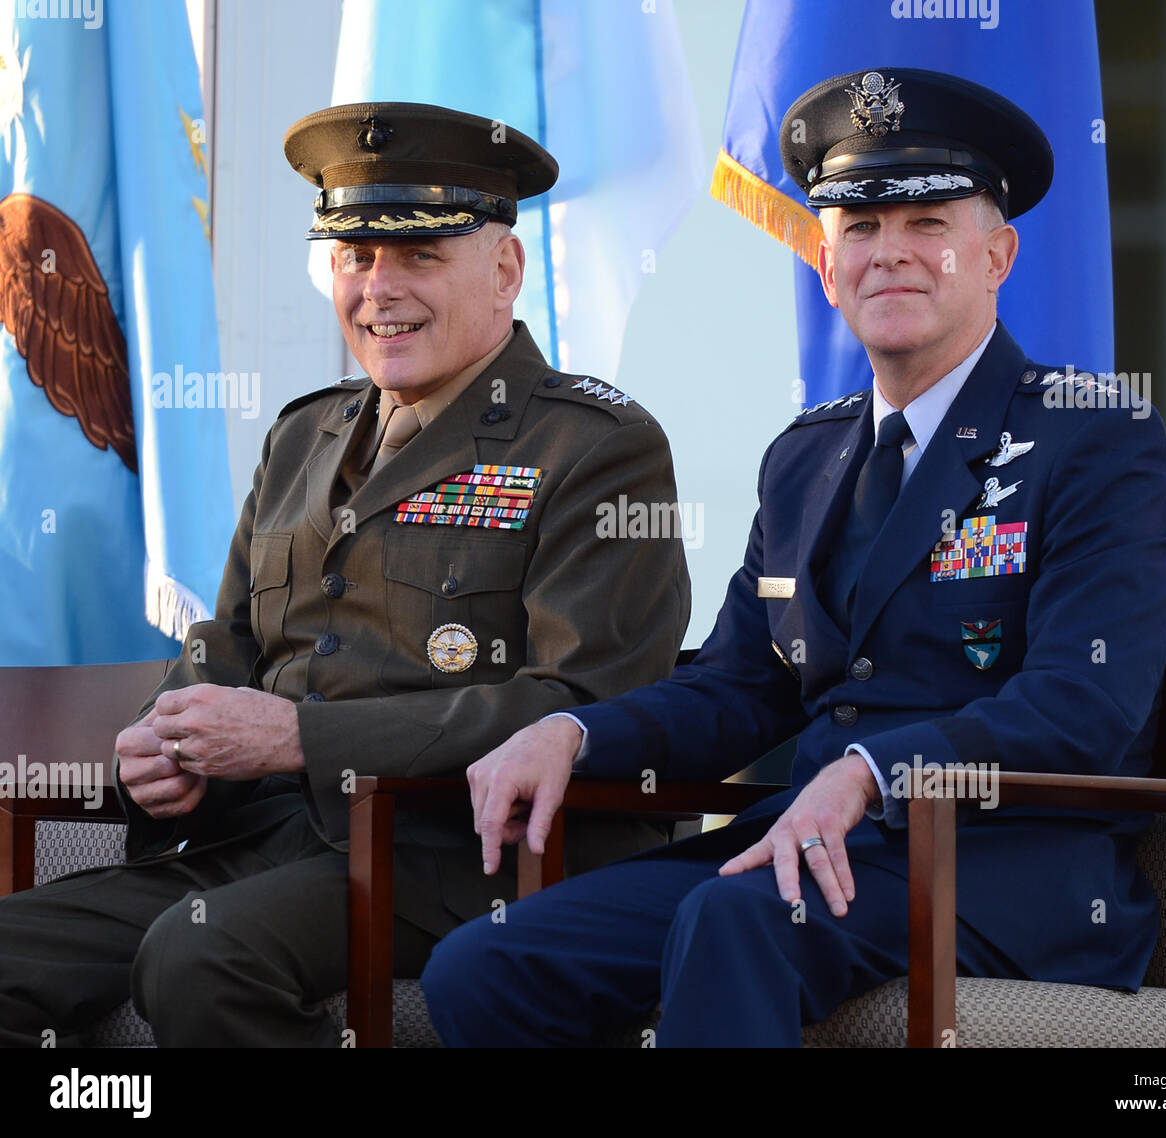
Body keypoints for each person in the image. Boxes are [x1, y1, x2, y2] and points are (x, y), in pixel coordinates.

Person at [420, 68, 1166, 1047]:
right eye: (859, 230)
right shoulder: (807, 456)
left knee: (735, 921)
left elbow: (1085, 706)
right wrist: (575, 738)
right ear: (826, 267)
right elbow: (741, 687)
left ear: (996, 255)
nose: (889, 255)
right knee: (489, 962)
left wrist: (872, 769)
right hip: (811, 849)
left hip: (1005, 864)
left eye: (927, 225)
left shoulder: (1092, 433)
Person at [0, 102, 691, 1046]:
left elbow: (582, 705)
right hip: (266, 838)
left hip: (464, 855)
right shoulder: (304, 433)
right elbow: (231, 639)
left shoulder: (595, 448)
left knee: (199, 959)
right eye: (355, 255)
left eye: (418, 255)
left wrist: (301, 740)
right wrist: (163, 744)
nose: (379, 288)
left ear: (506, 270)